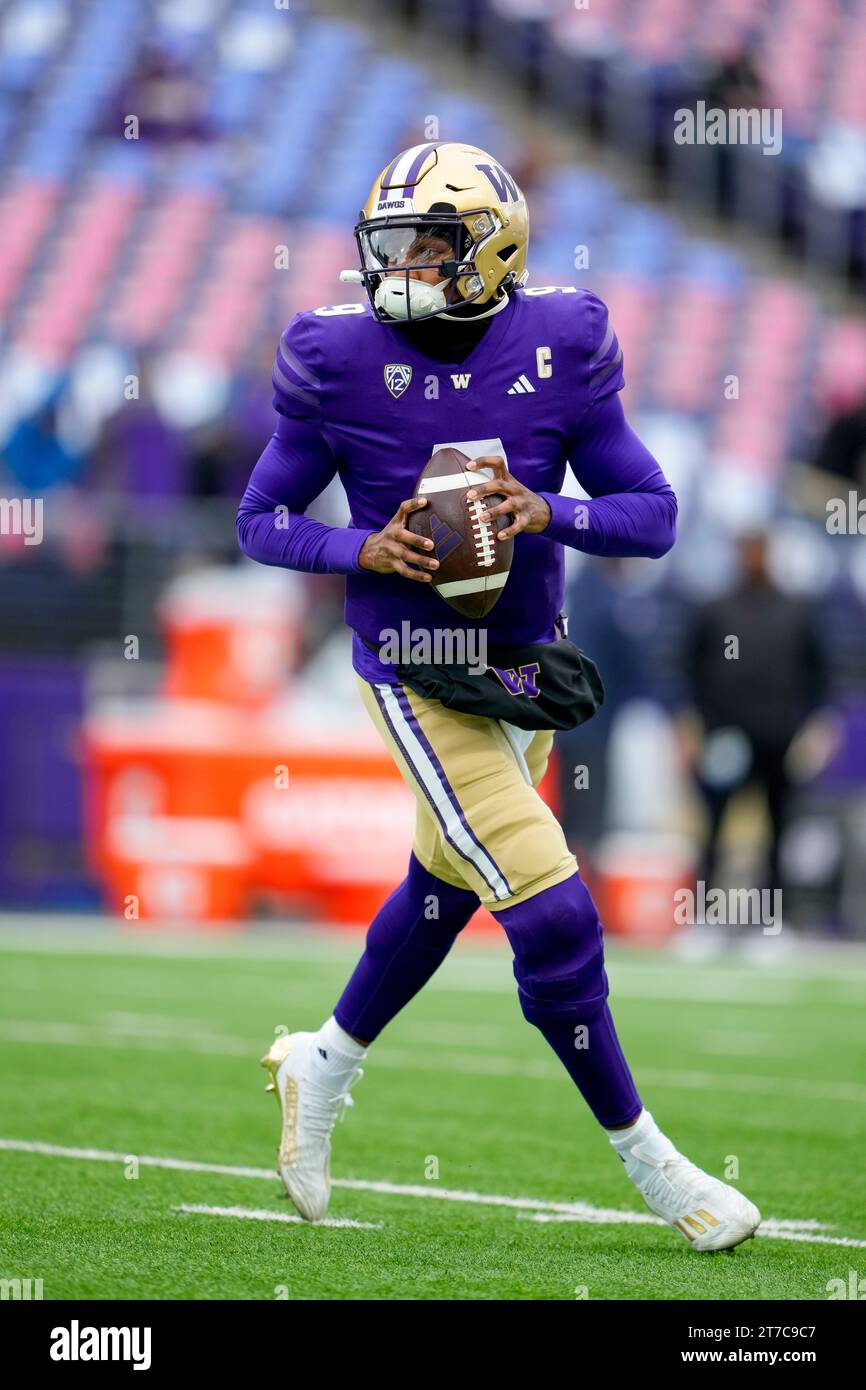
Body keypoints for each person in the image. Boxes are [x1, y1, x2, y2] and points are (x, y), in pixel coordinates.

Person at [237, 141, 760, 1251]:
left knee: (440, 885)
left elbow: (651, 513)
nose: (402, 265)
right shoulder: (335, 356)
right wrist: (360, 549)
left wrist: (546, 510)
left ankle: (319, 1064)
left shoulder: (562, 343)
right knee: (553, 904)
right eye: (391, 244)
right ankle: (654, 1166)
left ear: (491, 250)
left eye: (429, 244)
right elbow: (259, 520)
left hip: (520, 667)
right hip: (413, 668)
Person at [682, 531, 828, 891]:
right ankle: (706, 913)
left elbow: (819, 676)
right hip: (724, 736)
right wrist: (690, 727)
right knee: (714, 827)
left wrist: (816, 730)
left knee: (778, 829)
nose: (754, 560)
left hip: (779, 739)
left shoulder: (796, 611)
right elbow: (691, 672)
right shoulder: (715, 610)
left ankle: (774, 920)